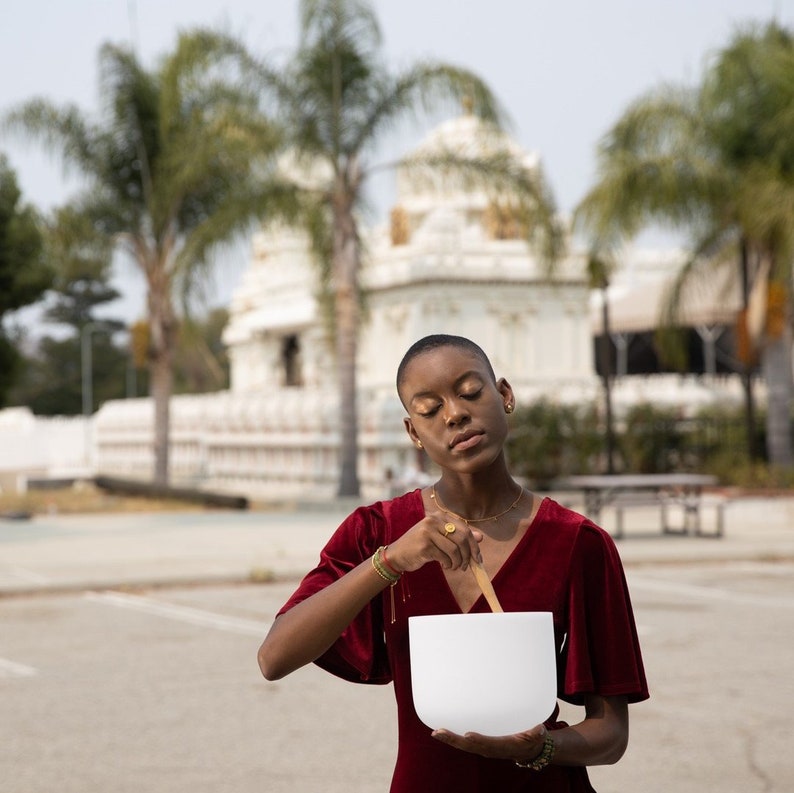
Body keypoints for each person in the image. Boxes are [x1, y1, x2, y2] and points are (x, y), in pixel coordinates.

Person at [258, 334, 648, 792]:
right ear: (413, 433)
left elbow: (610, 734)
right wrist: (390, 563)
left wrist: (538, 749)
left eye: (469, 392)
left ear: (504, 396)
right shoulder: (378, 532)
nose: (454, 414)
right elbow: (274, 657)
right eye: (428, 409)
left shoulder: (577, 542)